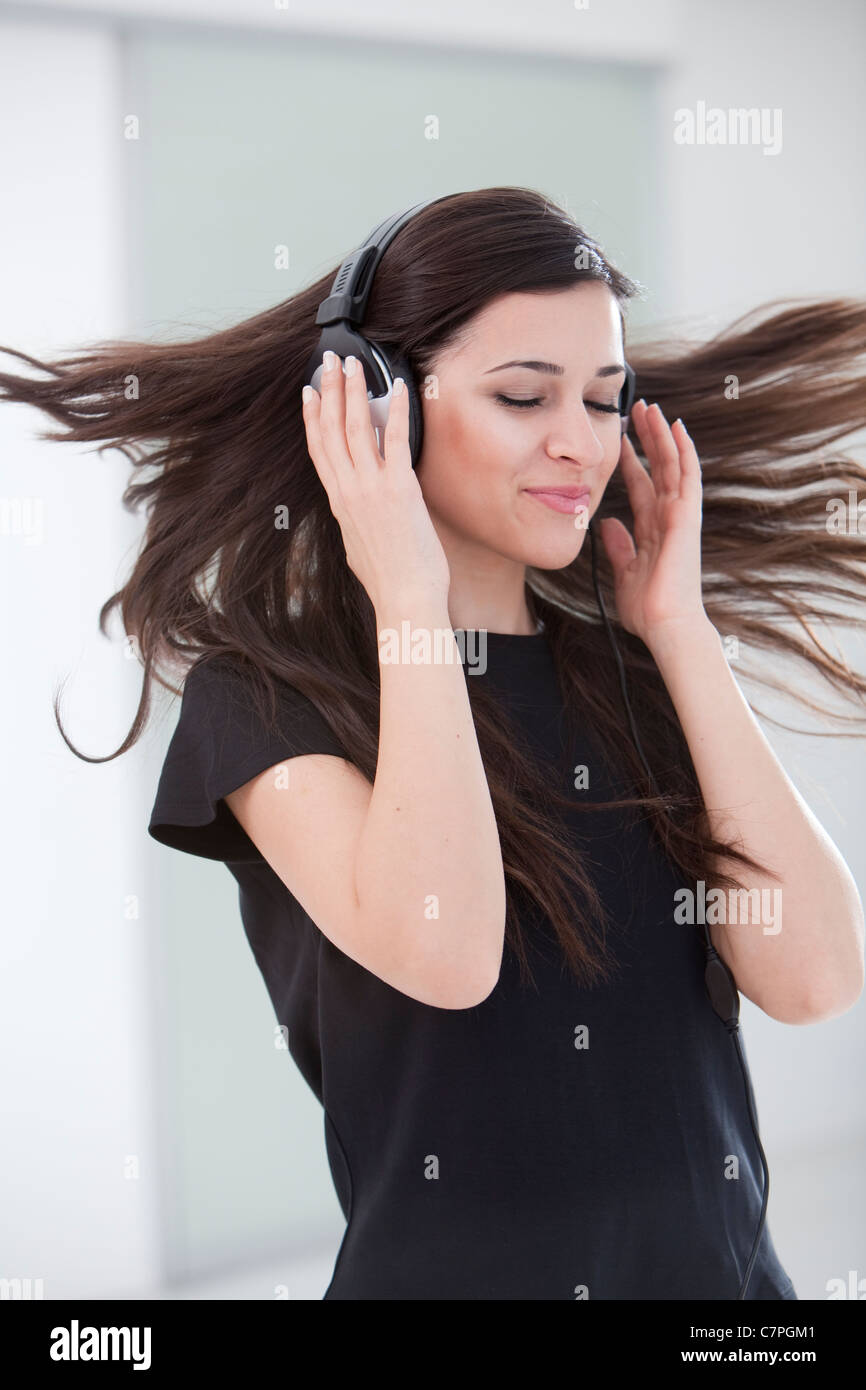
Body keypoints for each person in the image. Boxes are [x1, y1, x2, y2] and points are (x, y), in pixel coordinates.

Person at [3, 186, 865, 1300]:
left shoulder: (635, 673)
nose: (579, 442)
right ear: (378, 405)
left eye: (605, 400)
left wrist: (678, 629)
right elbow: (447, 953)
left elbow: (813, 977)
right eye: (522, 395)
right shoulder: (266, 700)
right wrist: (409, 598)